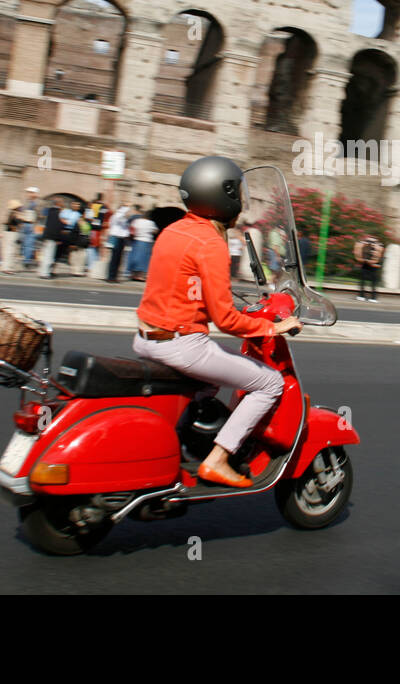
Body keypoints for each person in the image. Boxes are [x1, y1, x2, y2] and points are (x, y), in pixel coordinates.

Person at [132, 156, 301, 488]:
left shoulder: (175, 229)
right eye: (238, 191)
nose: (242, 200)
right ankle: (217, 460)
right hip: (181, 345)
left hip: (147, 337)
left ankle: (180, 439)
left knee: (209, 383)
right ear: (222, 195)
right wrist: (272, 327)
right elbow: (224, 319)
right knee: (270, 384)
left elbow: (183, 288)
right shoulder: (211, 242)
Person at [127, 206, 158, 281]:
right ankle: (140, 276)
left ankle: (132, 274)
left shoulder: (137, 221)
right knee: (144, 259)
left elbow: (132, 228)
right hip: (146, 241)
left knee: (134, 257)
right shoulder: (151, 223)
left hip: (136, 240)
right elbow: (156, 231)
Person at [105, 204, 132, 283]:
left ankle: (114, 276)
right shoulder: (118, 216)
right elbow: (119, 221)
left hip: (121, 238)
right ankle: (111, 276)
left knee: (118, 258)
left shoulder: (121, 217)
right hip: (117, 237)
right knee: (115, 258)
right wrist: (125, 213)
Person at [354, 234, 383, 301]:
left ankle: (366, 296)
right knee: (370, 282)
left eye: (372, 241)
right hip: (369, 265)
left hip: (370, 265)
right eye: (369, 241)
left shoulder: (377, 246)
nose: (370, 243)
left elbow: (378, 256)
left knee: (367, 281)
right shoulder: (379, 245)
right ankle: (371, 297)